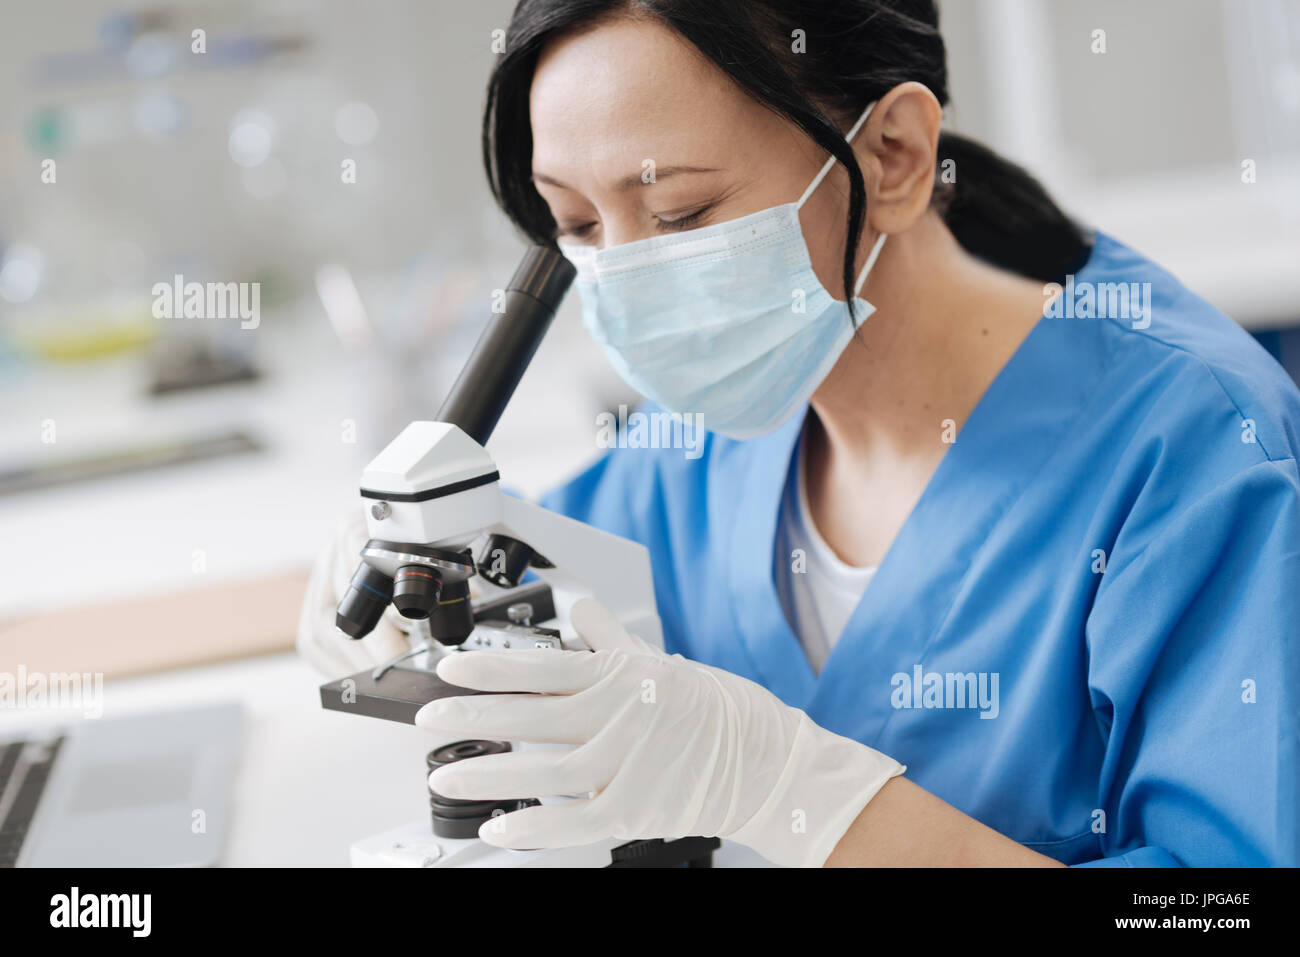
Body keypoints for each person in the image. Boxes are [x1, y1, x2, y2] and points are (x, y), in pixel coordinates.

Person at [299, 0, 1300, 867]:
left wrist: (797, 791)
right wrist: (429, 582)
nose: (630, 281)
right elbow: (543, 570)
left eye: (681, 213)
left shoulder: (1198, 459)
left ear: (893, 154)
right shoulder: (716, 430)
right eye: (580, 226)